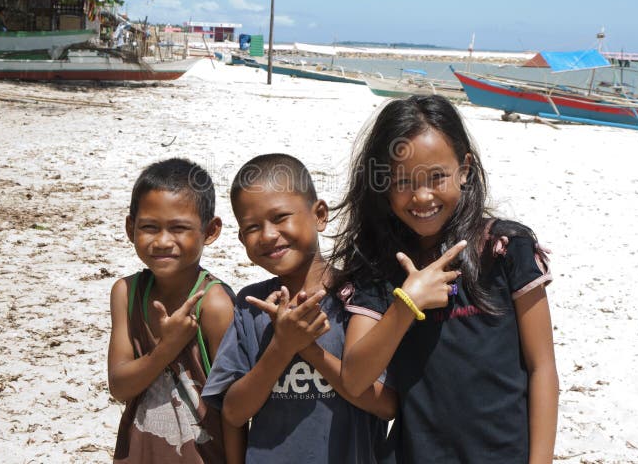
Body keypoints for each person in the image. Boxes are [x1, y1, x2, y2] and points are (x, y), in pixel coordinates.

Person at [330, 95, 559, 464]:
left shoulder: (503, 250)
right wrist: (406, 304)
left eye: (437, 177)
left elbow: (542, 366)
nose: (421, 197)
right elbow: (355, 378)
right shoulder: (381, 269)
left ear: (464, 169)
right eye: (402, 181)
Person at [202, 153, 396, 463]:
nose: (268, 235)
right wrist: (281, 347)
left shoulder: (362, 299)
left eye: (280, 218)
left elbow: (386, 405)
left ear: (319, 215)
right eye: (252, 227)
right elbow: (233, 412)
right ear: (241, 239)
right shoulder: (251, 307)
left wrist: (308, 349)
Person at [108, 157, 243, 463]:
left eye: (179, 228)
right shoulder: (126, 293)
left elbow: (233, 410)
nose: (162, 241)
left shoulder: (215, 304)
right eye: (149, 227)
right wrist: (166, 348)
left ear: (210, 231)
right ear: (130, 228)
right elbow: (119, 386)